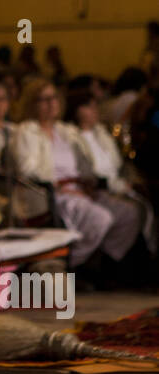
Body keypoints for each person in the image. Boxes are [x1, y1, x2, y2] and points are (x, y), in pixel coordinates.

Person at [9, 79, 141, 269]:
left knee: (129, 213)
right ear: (32, 104)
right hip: (51, 194)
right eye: (43, 99)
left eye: (53, 98)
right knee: (100, 218)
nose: (51, 103)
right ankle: (70, 266)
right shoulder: (26, 132)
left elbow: (86, 165)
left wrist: (90, 182)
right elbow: (27, 170)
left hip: (80, 189)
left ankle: (103, 262)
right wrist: (61, 188)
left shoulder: (67, 131)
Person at [66, 88, 156, 257]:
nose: (95, 111)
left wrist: (126, 180)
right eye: (89, 107)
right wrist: (111, 184)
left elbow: (117, 164)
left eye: (95, 107)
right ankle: (110, 256)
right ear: (77, 111)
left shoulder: (102, 133)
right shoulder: (72, 137)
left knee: (144, 206)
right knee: (130, 211)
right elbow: (85, 171)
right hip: (96, 188)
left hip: (114, 183)